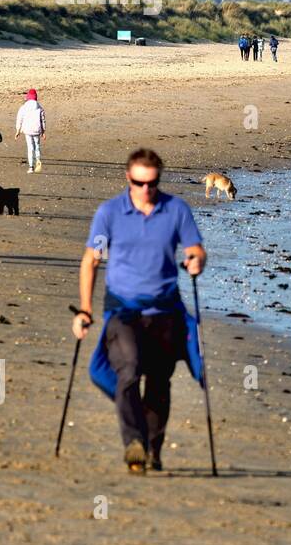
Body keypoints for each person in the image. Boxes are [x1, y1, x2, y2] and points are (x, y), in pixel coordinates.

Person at [72, 148, 207, 474]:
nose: (146, 189)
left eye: (152, 183)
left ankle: (153, 450)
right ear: (128, 179)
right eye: (139, 182)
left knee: (159, 383)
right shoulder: (110, 213)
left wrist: (196, 262)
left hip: (165, 312)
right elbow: (91, 260)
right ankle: (134, 442)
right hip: (124, 312)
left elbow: (196, 250)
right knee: (129, 371)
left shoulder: (176, 210)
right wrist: (86, 310)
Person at [14, 88, 46, 173]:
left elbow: (19, 119)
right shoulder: (39, 107)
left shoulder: (23, 107)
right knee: (37, 146)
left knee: (30, 147)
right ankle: (38, 162)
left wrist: (18, 130)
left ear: (28, 98)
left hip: (27, 130)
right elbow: (42, 120)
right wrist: (43, 131)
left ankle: (31, 167)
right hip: (37, 130)